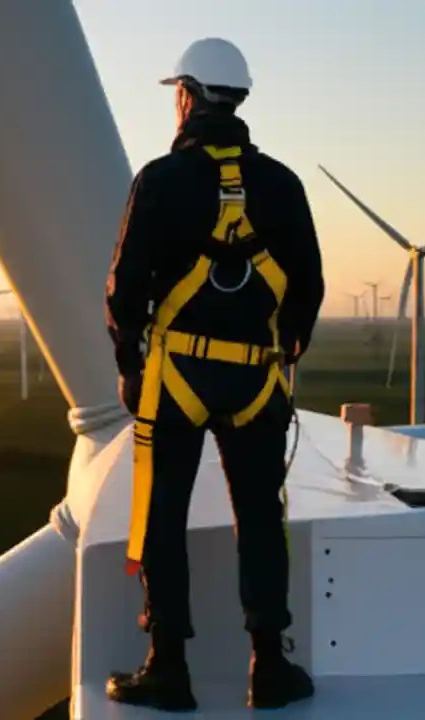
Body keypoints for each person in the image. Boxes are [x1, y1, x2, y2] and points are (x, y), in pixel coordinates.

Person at [103, 38, 325, 711]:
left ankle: (167, 666)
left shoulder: (160, 180)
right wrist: (284, 352)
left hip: (176, 378)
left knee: (163, 515)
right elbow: (309, 286)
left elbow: (122, 290)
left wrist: (129, 366)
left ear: (189, 96)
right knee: (261, 516)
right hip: (258, 380)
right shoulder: (282, 184)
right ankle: (270, 666)